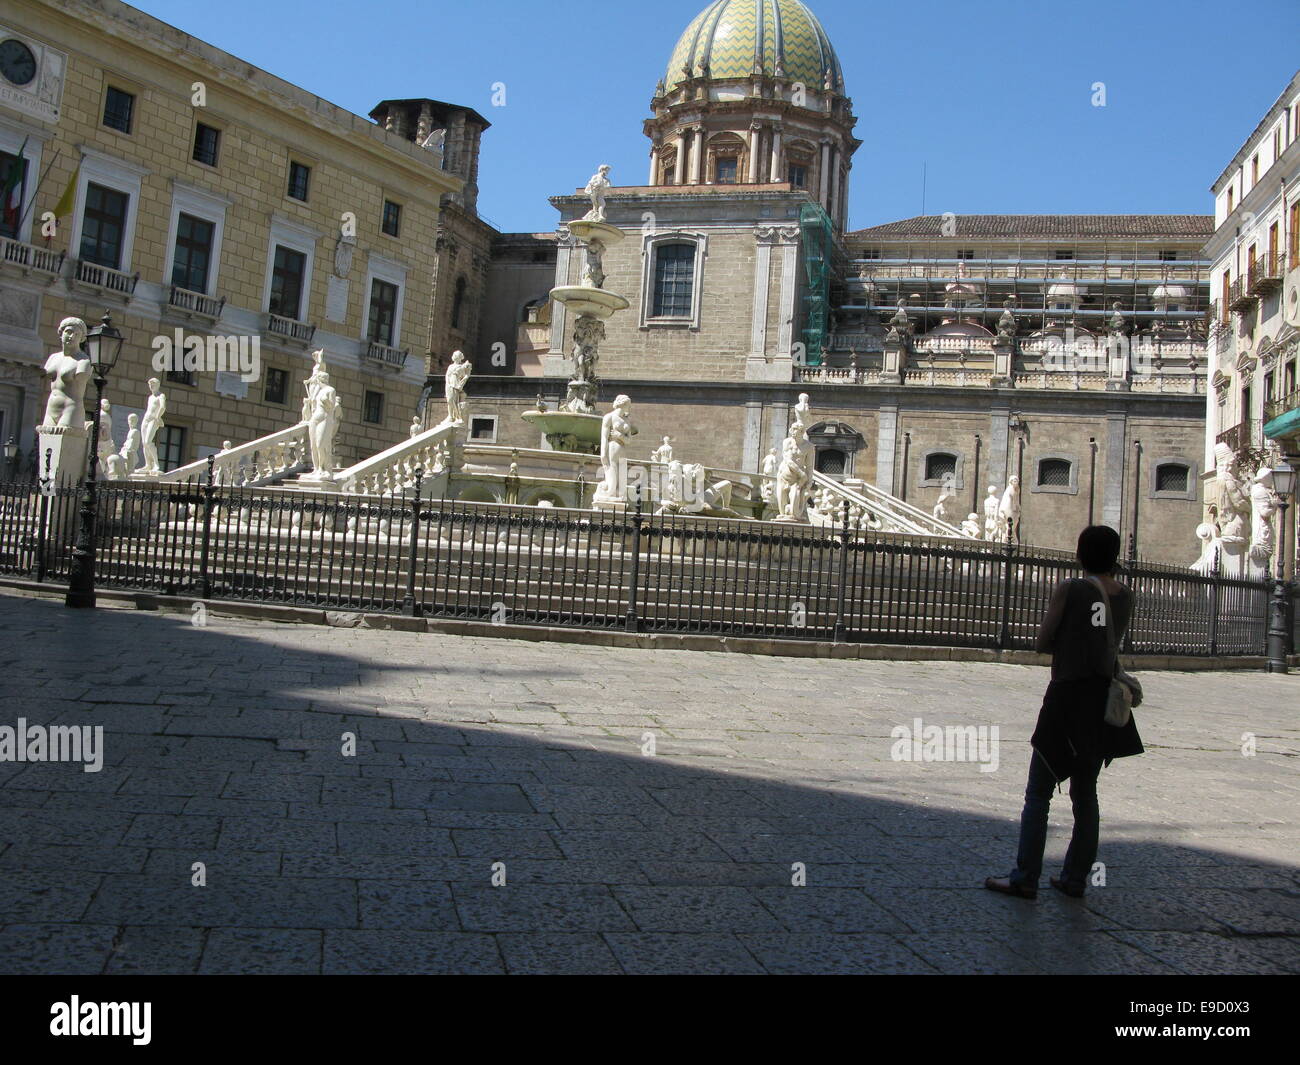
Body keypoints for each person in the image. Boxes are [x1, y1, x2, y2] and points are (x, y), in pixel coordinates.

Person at [985, 525, 1143, 900]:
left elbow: (1043, 642)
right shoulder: (1125, 596)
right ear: (1116, 555)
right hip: (1100, 701)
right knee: (1085, 795)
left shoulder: (1071, 589)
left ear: (1080, 554)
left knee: (1038, 793)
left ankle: (1025, 877)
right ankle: (1074, 879)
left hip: (1066, 698)